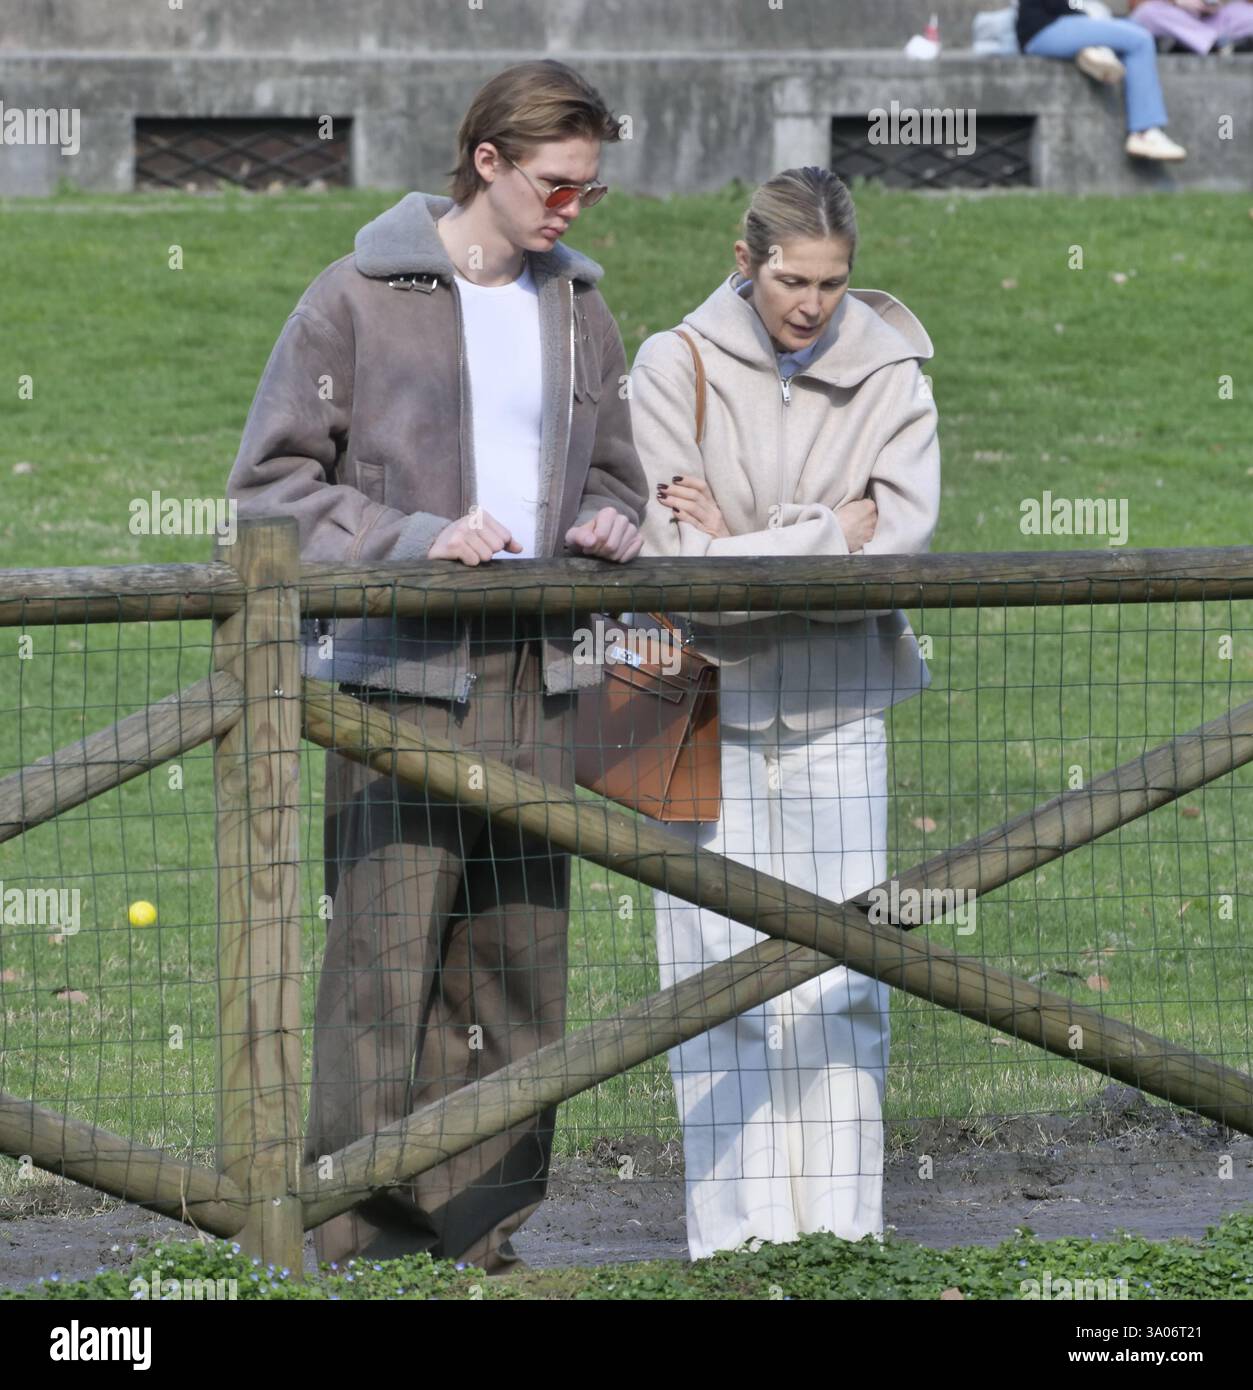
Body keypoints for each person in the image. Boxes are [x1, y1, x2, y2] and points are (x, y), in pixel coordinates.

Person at [226, 59, 647, 1275]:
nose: (574, 210)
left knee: (521, 971)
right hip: (393, 685)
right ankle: (355, 1243)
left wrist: (616, 520)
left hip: (543, 679)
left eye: (590, 191)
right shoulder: (351, 297)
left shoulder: (582, 309)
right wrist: (417, 540)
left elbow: (616, 469)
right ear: (489, 164)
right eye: (557, 187)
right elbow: (270, 490)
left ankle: (485, 1240)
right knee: (384, 965)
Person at [627, 167, 939, 1260]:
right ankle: (733, 1246)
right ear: (743, 259)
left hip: (841, 709)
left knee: (845, 977)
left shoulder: (894, 371)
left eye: (830, 283)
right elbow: (671, 567)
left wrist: (738, 546)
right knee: (714, 981)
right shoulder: (671, 362)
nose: (810, 304)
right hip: (699, 713)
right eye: (790, 279)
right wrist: (824, 536)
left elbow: (895, 548)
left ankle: (841, 1240)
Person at [1017, 0, 1188, 160]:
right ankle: (1145, 131)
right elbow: (1062, 5)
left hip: (1054, 26)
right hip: (1045, 28)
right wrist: (1089, 19)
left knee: (1133, 30)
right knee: (1140, 40)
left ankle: (1094, 51)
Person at [1128, 0, 1253, 54]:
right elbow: (1135, 6)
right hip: (1170, 19)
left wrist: (1208, 6)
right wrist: (1175, 2)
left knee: (1247, 13)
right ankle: (1216, 45)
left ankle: (1212, 44)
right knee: (1146, 13)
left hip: (1208, 22)